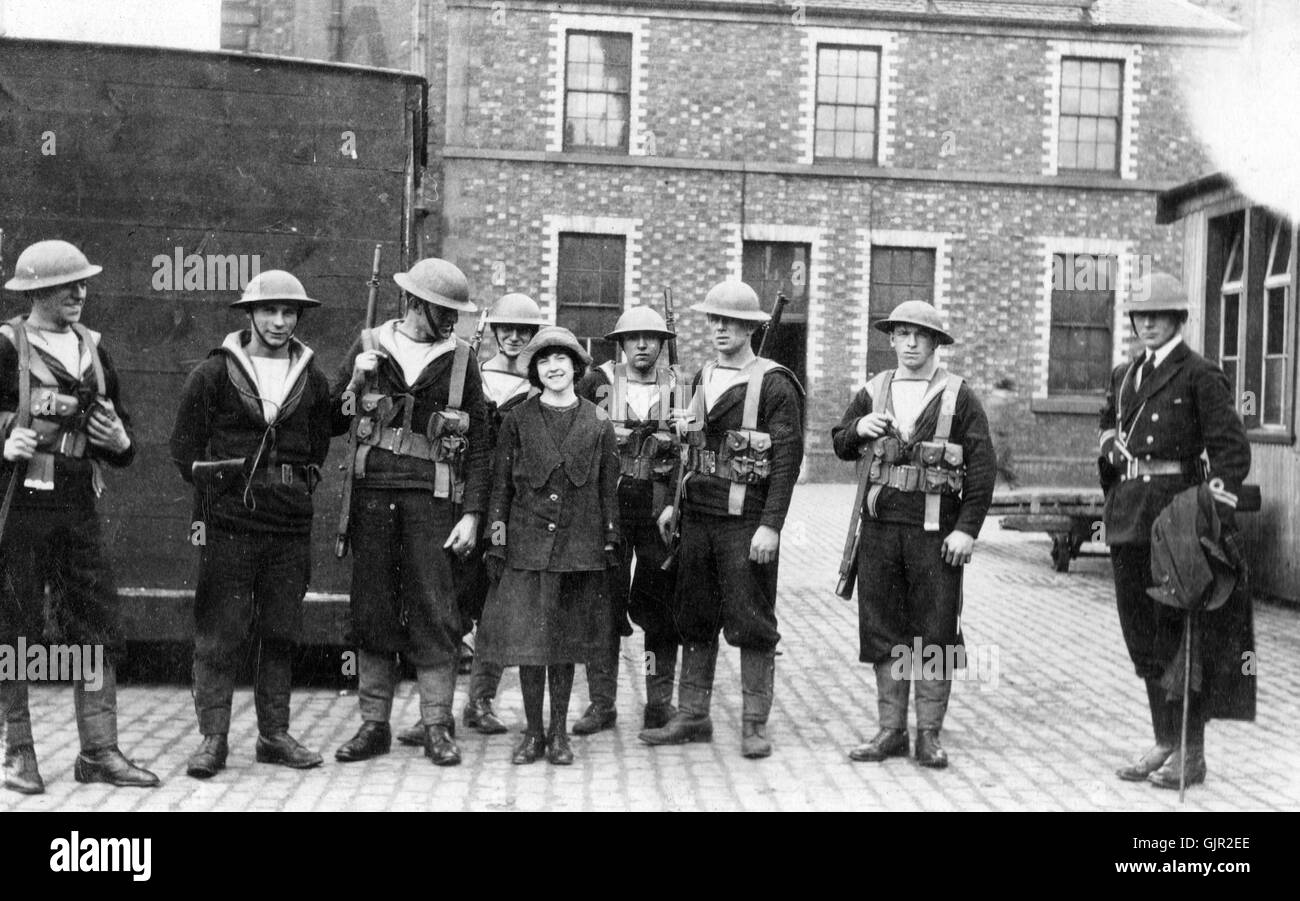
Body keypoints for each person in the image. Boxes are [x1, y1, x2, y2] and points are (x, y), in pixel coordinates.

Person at [0, 239, 158, 793]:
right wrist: (4, 436)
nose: (80, 293)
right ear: (36, 290)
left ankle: (98, 752)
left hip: (74, 502)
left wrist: (120, 439)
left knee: (93, 619)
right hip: (17, 504)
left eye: (83, 284)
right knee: (12, 624)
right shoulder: (5, 345)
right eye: (68, 285)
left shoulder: (94, 348)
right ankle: (17, 753)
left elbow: (123, 438)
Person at [169, 270, 338, 778]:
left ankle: (274, 735)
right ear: (250, 314)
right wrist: (228, 483)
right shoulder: (214, 374)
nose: (281, 322)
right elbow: (184, 451)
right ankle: (213, 741)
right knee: (220, 633)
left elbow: (319, 446)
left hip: (288, 526)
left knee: (280, 631)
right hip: (230, 525)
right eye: (270, 311)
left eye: (290, 313)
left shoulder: (312, 376)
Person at [332, 257, 490, 768]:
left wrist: (472, 514)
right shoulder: (370, 345)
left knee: (436, 611)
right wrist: (354, 382)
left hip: (433, 500)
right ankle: (373, 725)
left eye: (455, 312)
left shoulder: (463, 360)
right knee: (373, 607)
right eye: (441, 310)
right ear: (414, 303)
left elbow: (483, 446)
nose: (450, 320)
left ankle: (437, 727)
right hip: (374, 493)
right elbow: (333, 417)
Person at [1099, 271, 1251, 790]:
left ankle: (1190, 753)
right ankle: (1164, 739)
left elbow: (1232, 452)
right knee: (1142, 635)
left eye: (1157, 315)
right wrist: (1108, 454)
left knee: (1179, 639)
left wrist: (1209, 515)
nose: (1146, 324)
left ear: (1178, 318)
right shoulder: (1125, 375)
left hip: (1176, 522)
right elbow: (1108, 428)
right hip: (1128, 518)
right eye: (1139, 316)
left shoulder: (1200, 374)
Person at [639, 281, 803, 759]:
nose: (719, 330)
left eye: (730, 322)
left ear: (752, 326)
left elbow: (787, 460)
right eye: (713, 321)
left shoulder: (775, 383)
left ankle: (754, 725)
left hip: (746, 522)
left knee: (751, 619)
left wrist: (771, 525)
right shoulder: (702, 375)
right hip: (698, 518)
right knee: (693, 615)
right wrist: (672, 502)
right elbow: (685, 448)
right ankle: (693, 715)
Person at [830, 300, 995, 769]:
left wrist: (967, 531)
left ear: (936, 342)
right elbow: (841, 442)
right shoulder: (875, 388)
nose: (911, 343)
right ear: (892, 339)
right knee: (884, 628)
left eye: (921, 335)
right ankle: (890, 731)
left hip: (935, 536)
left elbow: (983, 469)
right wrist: (858, 427)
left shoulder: (959, 396)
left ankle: (929, 735)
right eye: (902, 334)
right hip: (880, 532)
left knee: (935, 631)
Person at [394, 292, 543, 748]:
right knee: (451, 600)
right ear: (494, 332)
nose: (514, 338)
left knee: (496, 606)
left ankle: (480, 700)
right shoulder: (472, 371)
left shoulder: (542, 383)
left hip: (515, 506)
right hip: (465, 499)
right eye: (506, 330)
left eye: (524, 331)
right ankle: (434, 712)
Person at [479, 326, 620, 765]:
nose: (553, 367)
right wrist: (497, 542)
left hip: (578, 552)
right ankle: (533, 734)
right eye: (543, 360)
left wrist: (610, 541)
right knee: (528, 647)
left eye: (561, 359)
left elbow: (607, 491)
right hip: (525, 550)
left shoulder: (598, 422)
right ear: (535, 370)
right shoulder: (517, 420)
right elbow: (500, 488)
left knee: (563, 648)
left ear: (576, 367)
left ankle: (560, 734)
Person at [573, 306, 681, 733]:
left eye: (650, 338)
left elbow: (693, 453)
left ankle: (658, 702)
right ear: (620, 342)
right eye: (633, 337)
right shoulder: (595, 382)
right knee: (604, 606)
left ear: (661, 343)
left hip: (659, 514)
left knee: (659, 609)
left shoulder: (682, 386)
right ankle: (602, 703)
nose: (641, 345)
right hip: (608, 510)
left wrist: (676, 502)